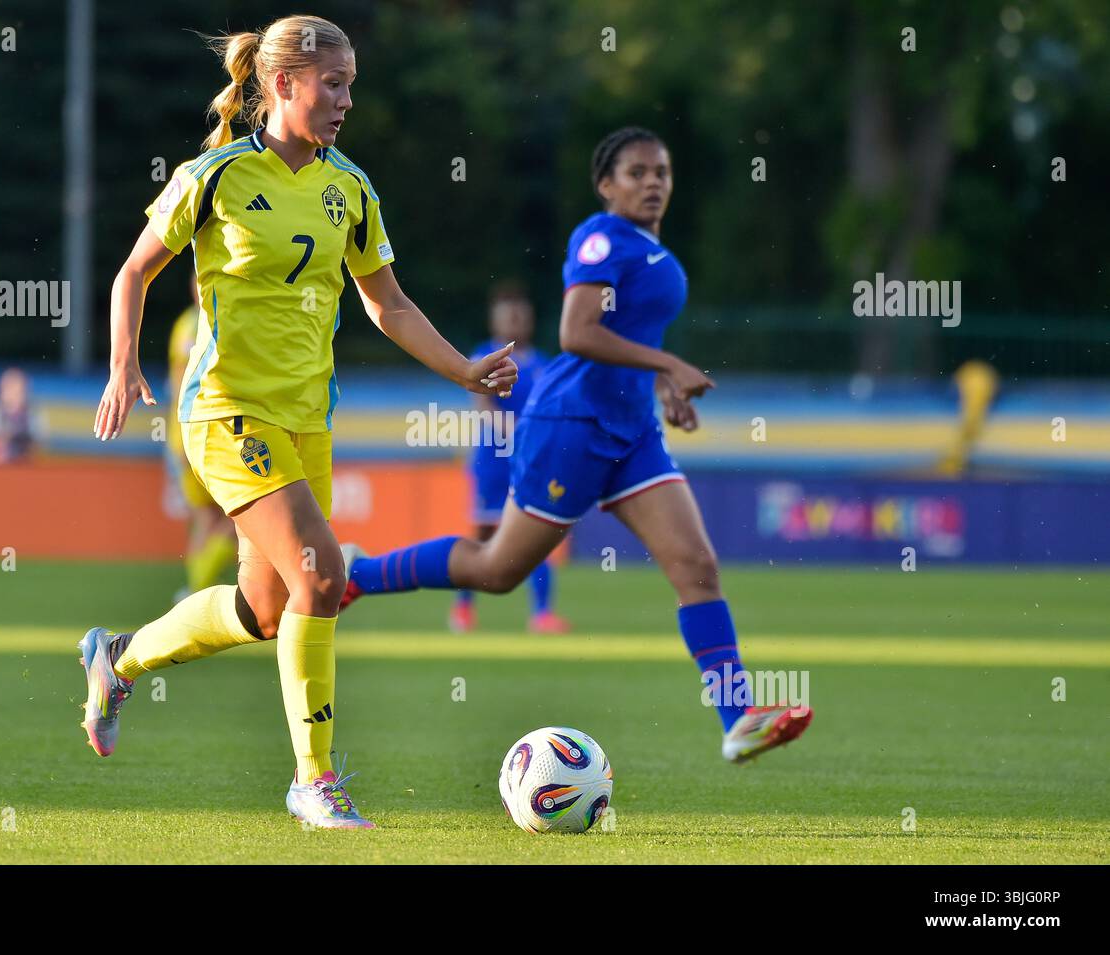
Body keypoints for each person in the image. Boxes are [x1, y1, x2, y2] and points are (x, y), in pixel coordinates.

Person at [80, 15, 517, 829]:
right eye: (334, 83)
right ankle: (312, 779)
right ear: (282, 84)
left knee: (267, 610)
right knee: (323, 574)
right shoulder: (213, 176)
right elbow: (133, 272)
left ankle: (118, 658)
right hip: (224, 411)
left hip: (306, 422)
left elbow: (386, 303)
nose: (347, 99)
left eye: (352, 83)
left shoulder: (349, 187)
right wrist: (121, 365)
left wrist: (462, 368)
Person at [342, 127, 813, 763]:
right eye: (637, 172)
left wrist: (661, 384)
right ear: (606, 185)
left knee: (696, 566)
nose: (653, 183)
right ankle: (359, 574)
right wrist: (669, 364)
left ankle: (738, 720)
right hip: (570, 426)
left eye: (663, 173)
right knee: (497, 570)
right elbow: (577, 332)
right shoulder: (600, 239)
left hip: (632, 432)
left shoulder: (653, 250)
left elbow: (626, 336)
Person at [449, 282, 569, 635]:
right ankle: (463, 609)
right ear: (495, 320)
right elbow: (484, 406)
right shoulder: (485, 356)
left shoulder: (545, 366)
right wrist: (520, 432)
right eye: (508, 314)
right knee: (485, 534)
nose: (515, 320)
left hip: (531, 463)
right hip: (494, 462)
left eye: (520, 314)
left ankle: (542, 613)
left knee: (536, 534)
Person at [164, 273, 236, 598]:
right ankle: (197, 589)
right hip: (207, 432)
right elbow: (181, 381)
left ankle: (193, 592)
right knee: (238, 520)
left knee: (207, 520)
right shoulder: (211, 321)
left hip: (186, 433)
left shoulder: (188, 322)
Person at [0, 367, 46, 464]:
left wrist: (17, 441)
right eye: (8, 386)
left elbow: (39, 442)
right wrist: (2, 441)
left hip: (24, 465)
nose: (12, 392)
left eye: (17, 388)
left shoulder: (33, 411)